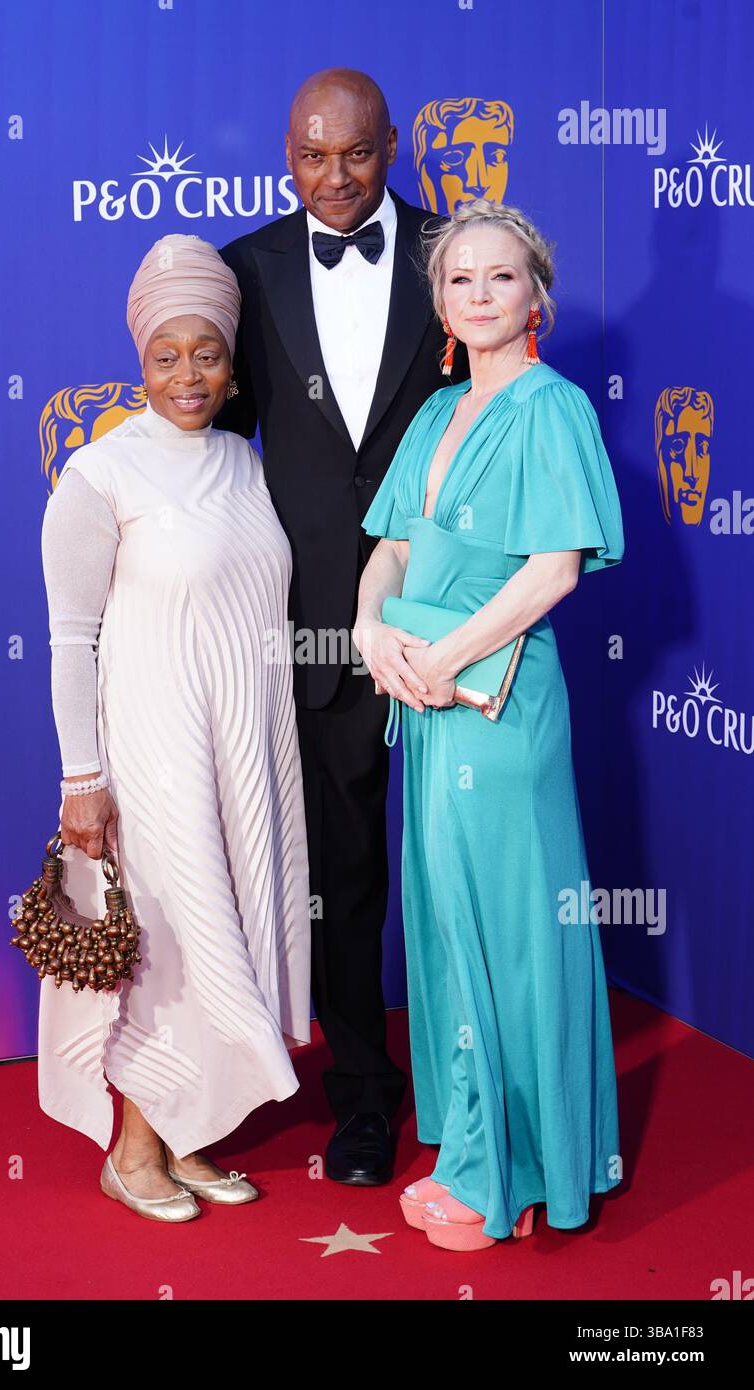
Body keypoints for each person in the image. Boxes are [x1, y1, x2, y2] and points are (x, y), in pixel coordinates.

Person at [354, 198, 624, 1248]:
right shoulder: (434, 412)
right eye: (459, 279)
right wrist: (369, 629)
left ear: (535, 295)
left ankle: (508, 1170)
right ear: (439, 302)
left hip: (498, 703)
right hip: (423, 693)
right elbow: (390, 548)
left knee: (511, 928)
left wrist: (438, 655)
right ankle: (479, 1143)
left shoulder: (551, 409)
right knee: (446, 918)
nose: (478, 294)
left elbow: (552, 570)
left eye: (499, 277)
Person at [215, 67, 469, 1186]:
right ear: (285, 150)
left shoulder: (453, 256)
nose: (332, 178)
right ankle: (361, 1099)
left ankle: (484, 1094)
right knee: (347, 877)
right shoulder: (245, 269)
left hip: (458, 614)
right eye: (310, 155)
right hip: (316, 631)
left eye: (354, 154)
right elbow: (210, 437)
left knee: (464, 869)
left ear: (393, 147)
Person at [37, 233, 311, 1222]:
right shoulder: (100, 475)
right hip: (152, 751)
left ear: (232, 363)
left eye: (206, 353)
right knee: (171, 937)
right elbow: (71, 640)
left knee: (227, 924)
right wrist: (82, 778)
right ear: (139, 360)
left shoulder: (245, 464)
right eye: (166, 355)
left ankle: (190, 1135)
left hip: (246, 741)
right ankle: (132, 1148)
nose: (187, 374)